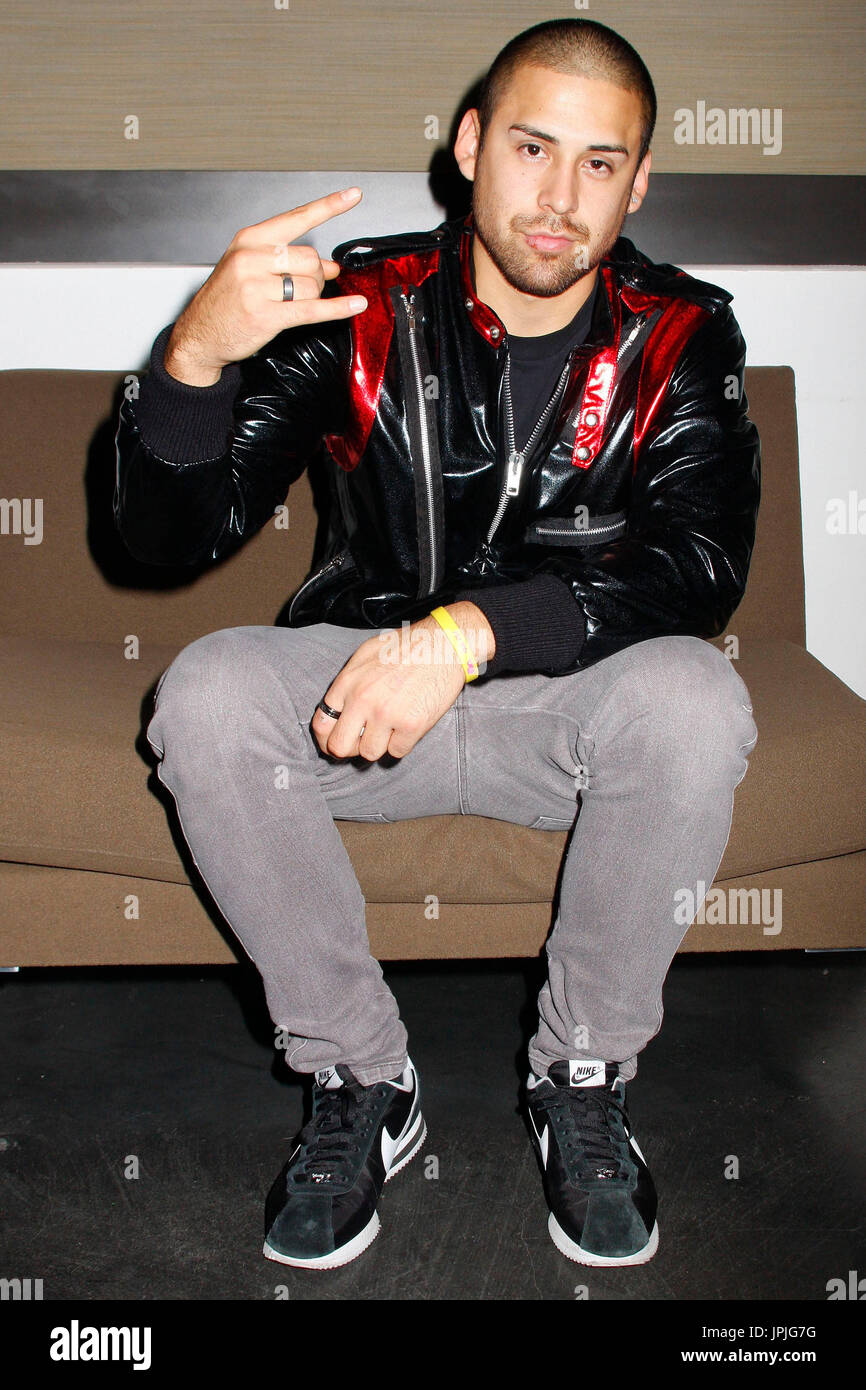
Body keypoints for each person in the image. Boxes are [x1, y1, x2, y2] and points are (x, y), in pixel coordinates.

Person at [113, 17, 760, 1272]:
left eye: (598, 162)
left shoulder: (683, 336)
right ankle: (362, 1075)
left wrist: (468, 633)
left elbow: (698, 566)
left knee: (693, 699)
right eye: (530, 147)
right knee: (206, 690)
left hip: (562, 714)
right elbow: (165, 543)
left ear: (637, 183)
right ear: (469, 147)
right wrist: (190, 361)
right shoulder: (360, 309)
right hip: (359, 709)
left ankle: (580, 1075)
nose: (559, 197)